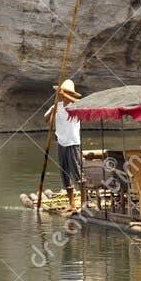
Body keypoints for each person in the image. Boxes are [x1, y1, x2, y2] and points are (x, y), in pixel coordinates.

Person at [47, 78, 84, 209]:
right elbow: (48, 120)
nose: (63, 96)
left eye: (66, 93)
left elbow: (83, 104)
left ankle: (84, 203)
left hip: (73, 142)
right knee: (65, 173)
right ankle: (71, 204)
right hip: (61, 142)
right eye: (62, 93)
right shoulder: (57, 106)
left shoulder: (76, 106)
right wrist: (52, 112)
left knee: (78, 172)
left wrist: (65, 95)